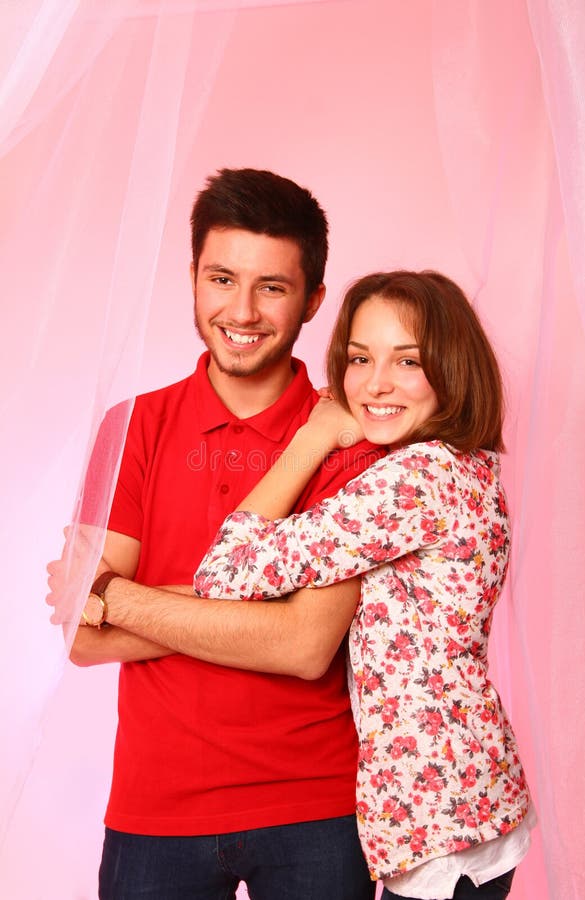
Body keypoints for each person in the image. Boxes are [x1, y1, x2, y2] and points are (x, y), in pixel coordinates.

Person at [51, 168, 379, 900]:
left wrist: (121, 596)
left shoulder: (348, 436)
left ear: (314, 299)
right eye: (222, 277)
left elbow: (305, 647)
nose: (242, 309)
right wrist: (262, 615)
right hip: (153, 810)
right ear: (193, 277)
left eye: (272, 286)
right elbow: (81, 635)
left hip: (316, 807)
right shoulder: (133, 426)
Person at [187, 270, 536, 898]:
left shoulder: (414, 479)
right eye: (359, 358)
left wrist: (314, 435)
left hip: (439, 822)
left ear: (452, 368)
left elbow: (223, 570)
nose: (374, 384)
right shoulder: (470, 465)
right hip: (471, 796)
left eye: (408, 361)